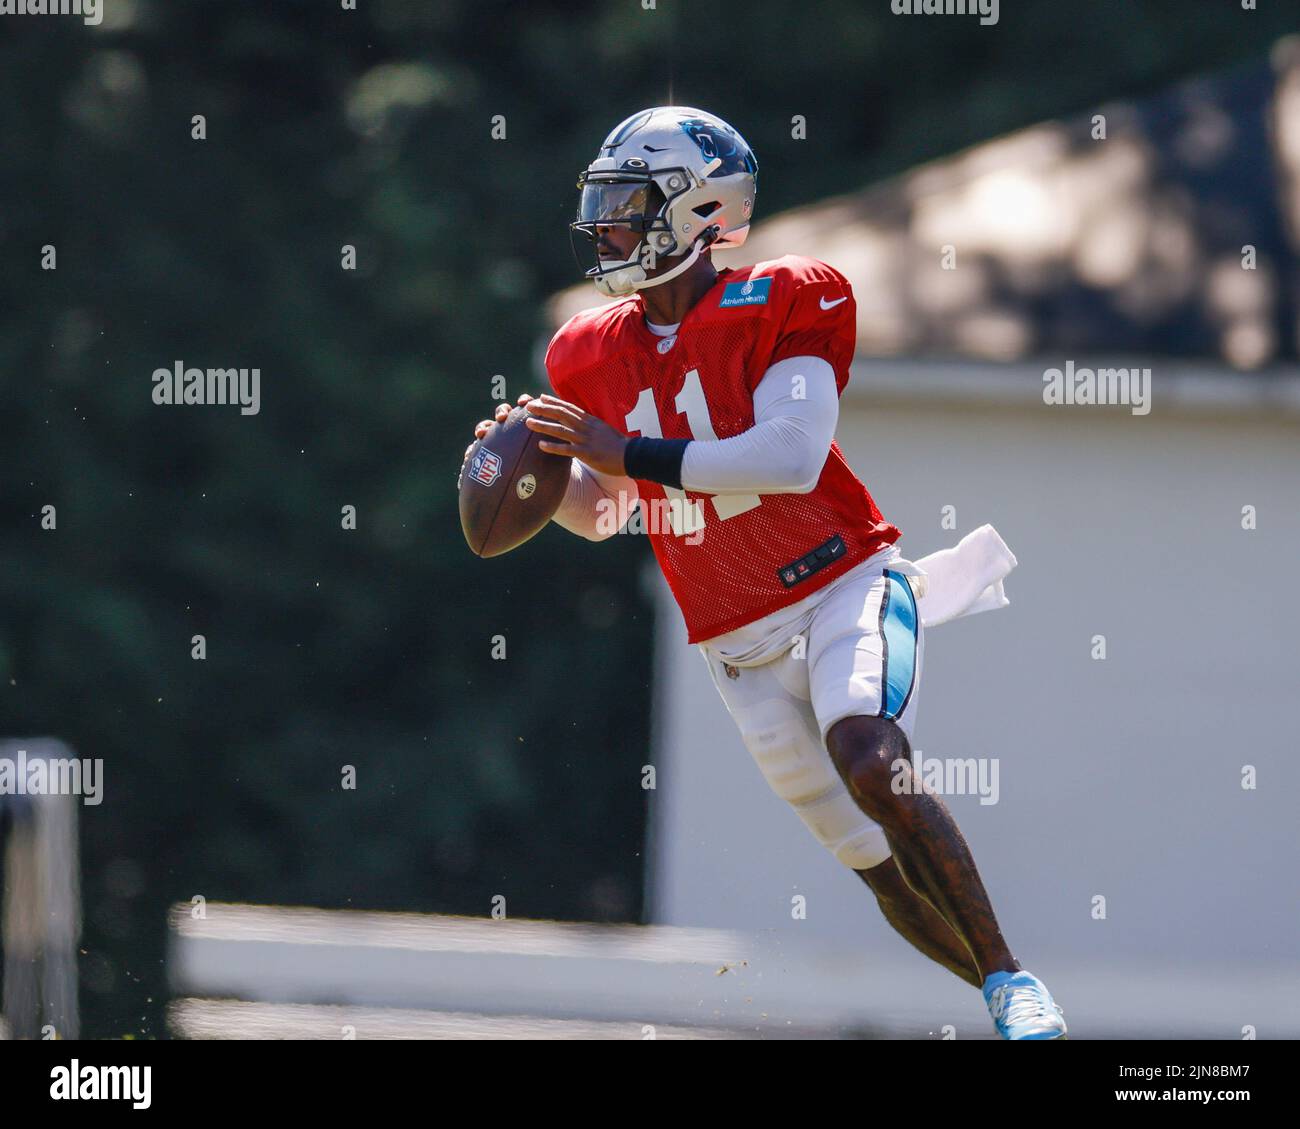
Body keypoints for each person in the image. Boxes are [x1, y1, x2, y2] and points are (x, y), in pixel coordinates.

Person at [466, 106, 1066, 1039]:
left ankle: (1014, 978)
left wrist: (624, 449)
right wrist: (532, 480)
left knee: (870, 758)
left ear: (699, 210)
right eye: (602, 205)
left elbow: (790, 453)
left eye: (628, 205)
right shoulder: (587, 349)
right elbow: (608, 510)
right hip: (735, 649)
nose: (605, 227)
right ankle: (999, 999)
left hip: (843, 587)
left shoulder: (783, 296)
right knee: (877, 868)